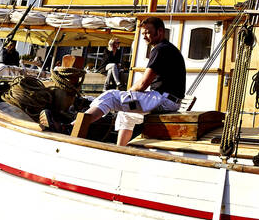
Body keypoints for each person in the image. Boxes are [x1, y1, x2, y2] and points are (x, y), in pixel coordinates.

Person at [78, 17, 185, 145]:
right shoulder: (168, 48)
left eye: (148, 32)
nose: (144, 36)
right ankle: (120, 150)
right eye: (143, 33)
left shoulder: (160, 49)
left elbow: (143, 84)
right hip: (170, 101)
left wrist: (129, 92)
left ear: (160, 31)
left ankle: (74, 127)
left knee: (110, 96)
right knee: (125, 114)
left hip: (162, 100)